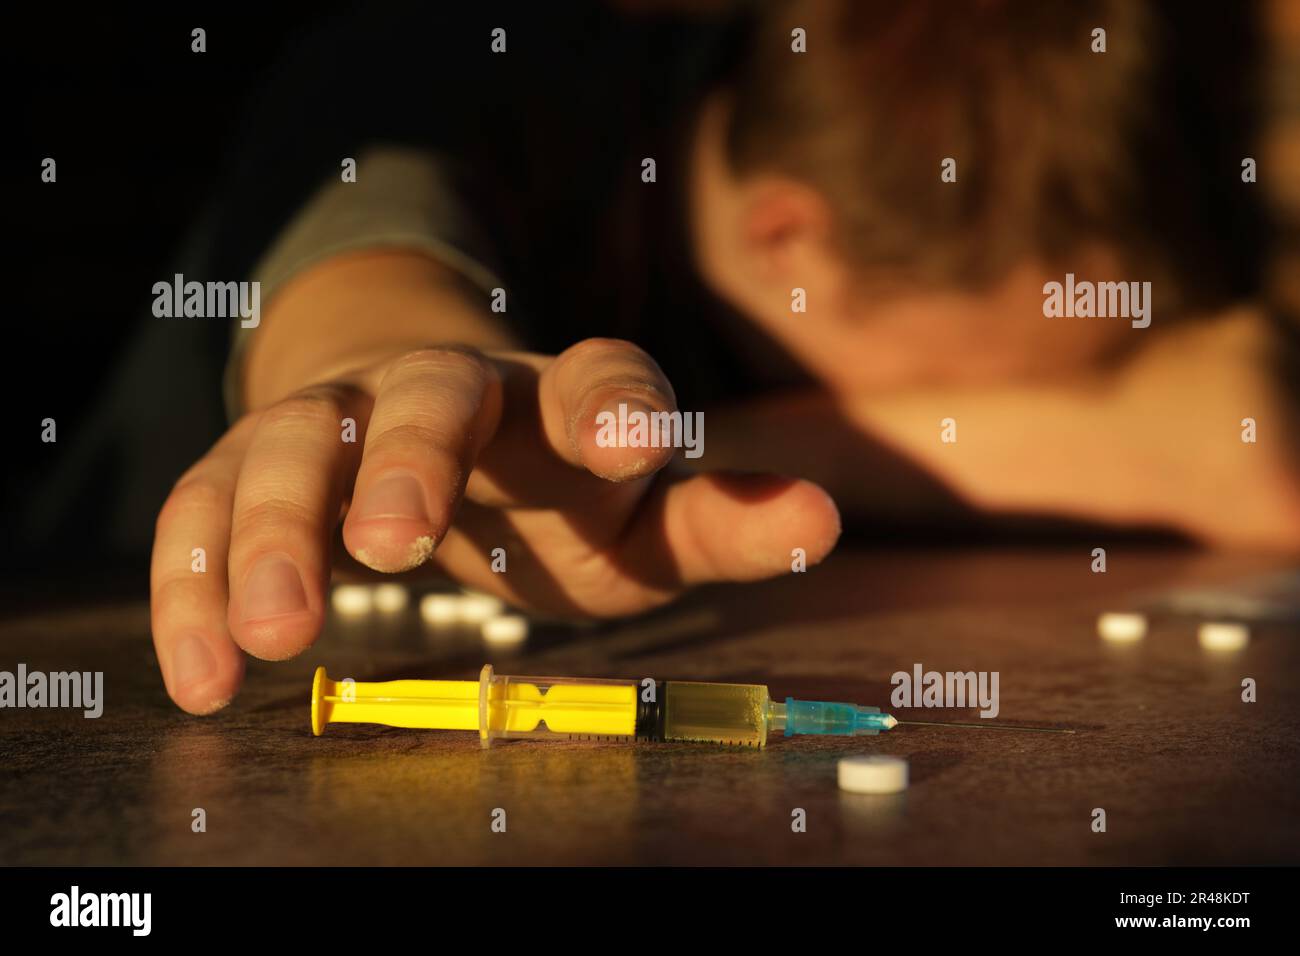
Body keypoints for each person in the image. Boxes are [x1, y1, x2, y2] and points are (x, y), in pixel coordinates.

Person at [150, 0, 1300, 714]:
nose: (1009, 411)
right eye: (996, 381)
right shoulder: (430, 72)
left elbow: (1251, 450)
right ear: (791, 239)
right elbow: (371, 272)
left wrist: (720, 454)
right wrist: (399, 383)